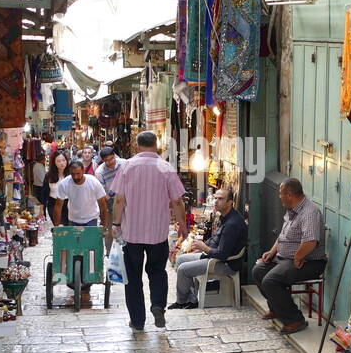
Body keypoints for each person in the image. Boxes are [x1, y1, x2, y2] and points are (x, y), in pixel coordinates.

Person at [111, 130, 186, 332]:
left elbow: (119, 200)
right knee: (157, 272)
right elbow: (177, 201)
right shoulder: (166, 168)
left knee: (133, 278)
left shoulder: (126, 167)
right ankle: (158, 305)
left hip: (131, 234)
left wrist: (116, 224)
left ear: (137, 146)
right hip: (158, 234)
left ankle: (137, 321)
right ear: (156, 145)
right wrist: (183, 227)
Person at [252, 178, 326, 335]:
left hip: (308, 262)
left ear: (290, 194)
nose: (279, 197)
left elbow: (311, 241)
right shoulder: (292, 210)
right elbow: (284, 235)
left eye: (281, 194)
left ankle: (294, 320)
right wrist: (272, 251)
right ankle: (278, 308)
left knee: (271, 281)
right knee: (258, 270)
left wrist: (298, 256)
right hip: (286, 258)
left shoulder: (309, 213)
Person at [170, 186, 248, 308]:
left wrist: (204, 248)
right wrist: (202, 245)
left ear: (230, 202)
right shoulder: (225, 217)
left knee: (183, 270)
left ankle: (182, 302)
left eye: (220, 199)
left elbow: (222, 254)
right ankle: (191, 299)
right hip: (214, 257)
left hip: (226, 264)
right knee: (180, 259)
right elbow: (216, 239)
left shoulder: (232, 224)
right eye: (215, 198)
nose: (216, 201)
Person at [53, 158, 108, 304]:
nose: (76, 177)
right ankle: (71, 278)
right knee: (72, 250)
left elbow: (103, 205)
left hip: (91, 219)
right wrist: (56, 225)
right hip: (73, 219)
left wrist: (104, 224)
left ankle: (88, 281)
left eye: (78, 173)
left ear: (83, 171)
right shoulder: (65, 183)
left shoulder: (93, 182)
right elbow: (58, 206)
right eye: (73, 174)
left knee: (90, 250)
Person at [45, 150, 70, 226]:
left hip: (69, 205)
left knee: (69, 229)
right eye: (59, 161)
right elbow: (45, 193)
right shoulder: (49, 176)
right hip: (54, 204)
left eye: (63, 160)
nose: (62, 163)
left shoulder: (71, 175)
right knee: (60, 227)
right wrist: (41, 210)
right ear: (54, 163)